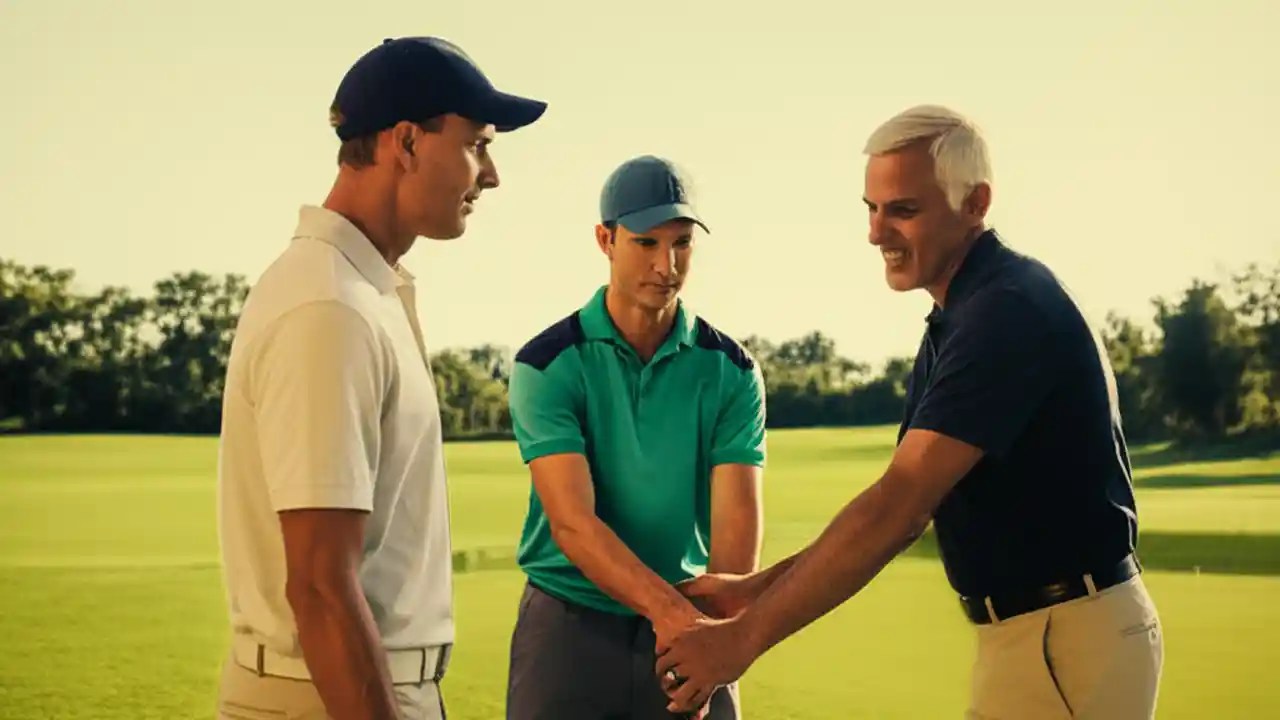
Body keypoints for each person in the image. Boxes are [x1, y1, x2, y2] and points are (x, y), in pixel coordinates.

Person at [657, 105, 1165, 719]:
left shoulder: (1005, 313)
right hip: (1037, 636)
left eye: (902, 210)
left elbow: (897, 508)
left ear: (976, 203)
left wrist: (740, 640)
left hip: (1067, 639)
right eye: (870, 209)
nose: (876, 232)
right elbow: (900, 505)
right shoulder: (959, 316)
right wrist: (756, 590)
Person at [214, 36, 546, 720]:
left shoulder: (360, 293)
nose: (491, 176)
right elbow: (321, 586)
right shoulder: (329, 307)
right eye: (477, 144)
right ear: (406, 142)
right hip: (327, 697)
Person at [503, 155, 768, 719]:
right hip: (569, 625)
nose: (665, 265)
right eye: (646, 243)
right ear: (606, 240)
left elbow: (735, 528)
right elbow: (573, 524)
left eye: (681, 244)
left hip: (691, 621)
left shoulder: (731, 370)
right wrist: (671, 614)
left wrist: (712, 638)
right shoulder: (548, 364)